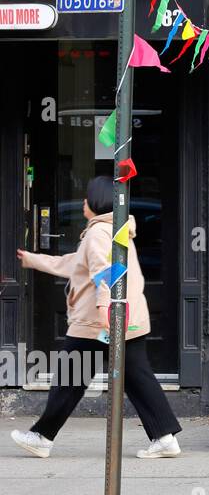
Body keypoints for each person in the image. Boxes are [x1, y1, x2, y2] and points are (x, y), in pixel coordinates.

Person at [10, 176, 182, 459]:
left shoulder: (99, 233)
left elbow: (108, 273)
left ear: (96, 203)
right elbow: (77, 265)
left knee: (69, 377)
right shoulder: (109, 230)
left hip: (97, 323)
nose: (83, 204)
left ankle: (42, 437)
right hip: (125, 319)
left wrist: (105, 311)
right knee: (137, 378)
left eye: (86, 199)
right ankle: (164, 437)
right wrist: (33, 259)